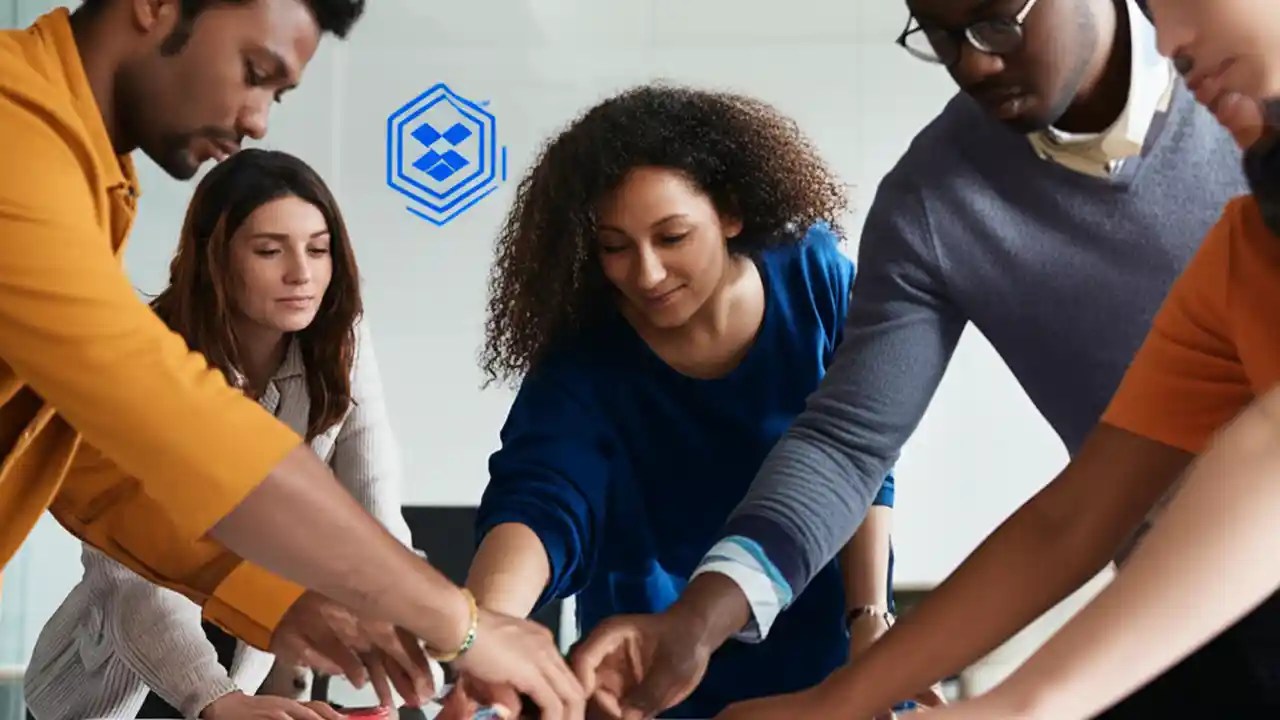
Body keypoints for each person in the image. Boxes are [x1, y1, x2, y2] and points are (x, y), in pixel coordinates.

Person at [566, 0, 1270, 718]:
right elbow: (1077, 511)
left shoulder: (1234, 108)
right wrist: (795, 680)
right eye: (939, 35)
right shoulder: (1229, 260)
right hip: (1188, 618)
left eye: (998, 21)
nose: (970, 63)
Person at [0, 2, 583, 717]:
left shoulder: (83, 173)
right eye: (255, 73)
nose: (257, 121)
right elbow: (182, 434)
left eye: (276, 94)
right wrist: (456, 624)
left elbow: (102, 476)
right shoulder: (13, 137)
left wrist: (288, 601)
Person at [437, 83, 901, 720]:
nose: (646, 273)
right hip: (647, 670)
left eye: (673, 236)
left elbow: (863, 461)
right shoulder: (585, 355)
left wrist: (869, 617)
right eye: (615, 247)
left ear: (731, 213)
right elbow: (539, 501)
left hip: (827, 650)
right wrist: (485, 637)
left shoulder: (816, 278)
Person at [887, 2, 1280, 716]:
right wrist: (830, 704)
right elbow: (1075, 518)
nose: (1169, 41)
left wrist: (1029, 704)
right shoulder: (1246, 243)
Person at [23, 148, 419, 720]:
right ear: (216, 258)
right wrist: (214, 700)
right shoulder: (145, 357)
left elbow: (376, 513)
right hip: (122, 669)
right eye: (268, 250)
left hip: (248, 661)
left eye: (317, 248)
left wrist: (430, 656)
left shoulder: (340, 344)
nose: (301, 274)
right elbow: (130, 568)